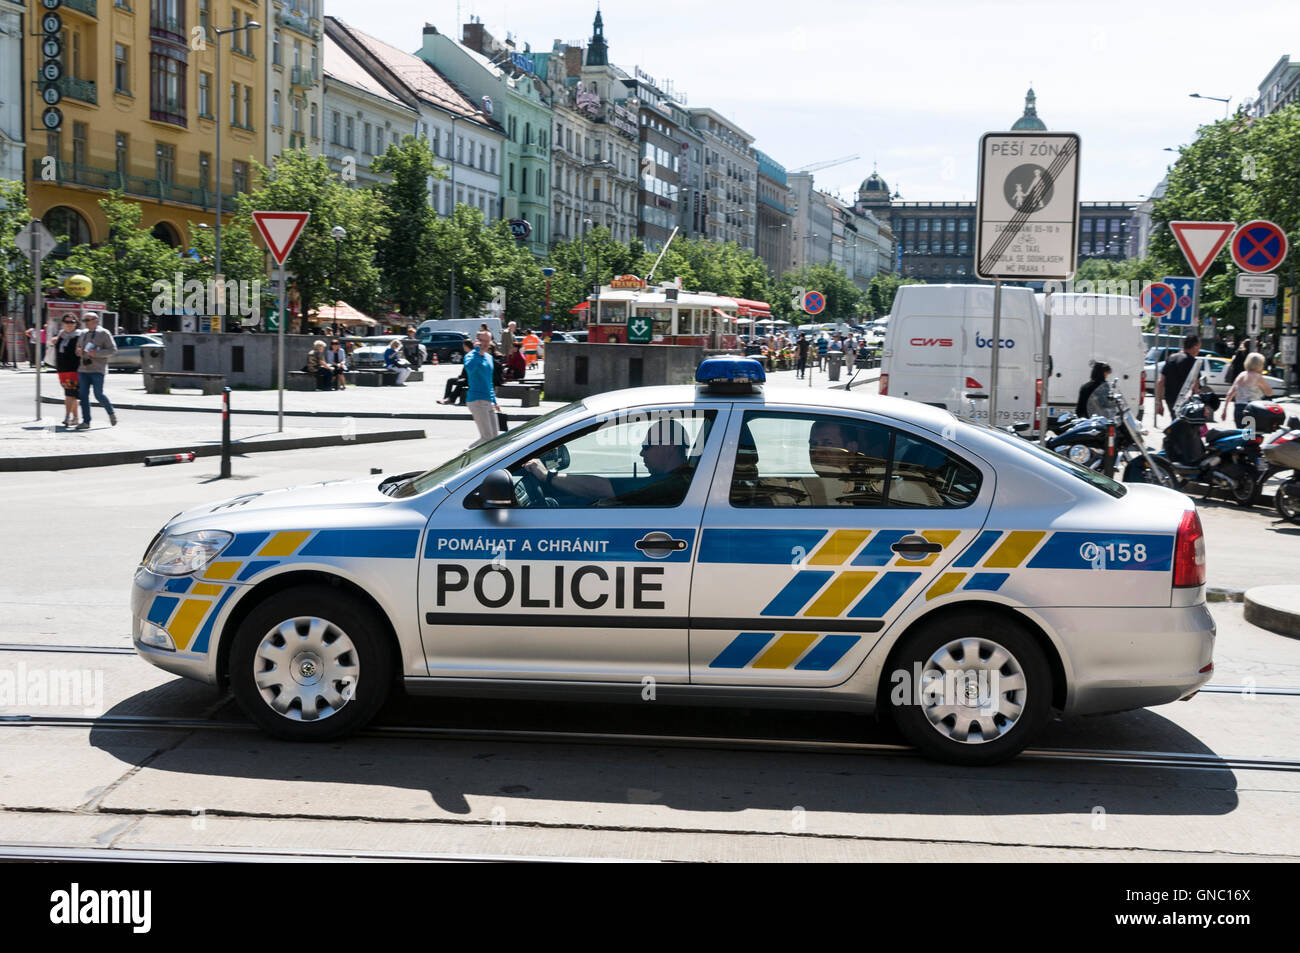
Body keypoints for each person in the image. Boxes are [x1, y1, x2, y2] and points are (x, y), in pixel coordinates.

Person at [521, 418, 696, 506]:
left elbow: (602, 487)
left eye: (647, 446)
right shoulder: (674, 478)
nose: (642, 452)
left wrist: (547, 476)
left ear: (670, 446)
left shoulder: (672, 483)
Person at [74, 312, 117, 429]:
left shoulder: (104, 333)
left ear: (95, 320)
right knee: (83, 395)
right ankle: (86, 421)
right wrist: (78, 351)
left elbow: (113, 350)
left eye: (87, 320)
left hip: (97, 369)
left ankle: (111, 412)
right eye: (84, 320)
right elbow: (78, 348)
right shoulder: (83, 333)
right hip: (83, 369)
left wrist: (96, 353)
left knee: (98, 394)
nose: (85, 323)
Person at [464, 330, 499, 447]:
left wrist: (494, 400)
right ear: (477, 341)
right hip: (476, 400)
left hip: (488, 400)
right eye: (483, 341)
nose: (485, 344)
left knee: (495, 438)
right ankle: (464, 456)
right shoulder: (470, 356)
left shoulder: (489, 357)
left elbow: (489, 381)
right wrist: (478, 353)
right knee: (487, 437)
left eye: (487, 341)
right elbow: (470, 369)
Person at [1155, 333, 1201, 420]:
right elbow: (1196, 385)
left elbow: (1160, 381)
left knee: (1175, 422)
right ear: (1195, 346)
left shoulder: (1171, 358)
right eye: (1199, 347)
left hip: (1170, 400)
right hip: (1185, 401)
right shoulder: (1193, 362)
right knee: (1185, 427)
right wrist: (1198, 403)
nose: (1199, 350)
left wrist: (1159, 402)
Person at [1223, 352, 1273, 425]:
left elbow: (1230, 393)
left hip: (1238, 409)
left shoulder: (1241, 375)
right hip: (1252, 410)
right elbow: (1269, 393)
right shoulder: (1258, 377)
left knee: (1241, 434)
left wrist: (1224, 410)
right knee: (1250, 435)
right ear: (1260, 365)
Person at [53, 315, 82, 427]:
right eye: (66, 322)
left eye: (72, 322)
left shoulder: (80, 335)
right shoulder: (61, 335)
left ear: (76, 323)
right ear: (63, 323)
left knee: (69, 394)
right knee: (72, 395)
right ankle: (75, 418)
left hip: (74, 369)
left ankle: (67, 417)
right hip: (62, 369)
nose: (69, 324)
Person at [438, 340, 475, 404]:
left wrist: (463, 377)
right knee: (450, 380)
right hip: (465, 377)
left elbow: (471, 370)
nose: (463, 348)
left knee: (461, 382)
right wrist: (461, 376)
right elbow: (465, 369)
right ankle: (446, 398)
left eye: (464, 346)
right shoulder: (468, 354)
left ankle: (451, 399)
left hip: (471, 379)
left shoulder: (473, 355)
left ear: (467, 346)